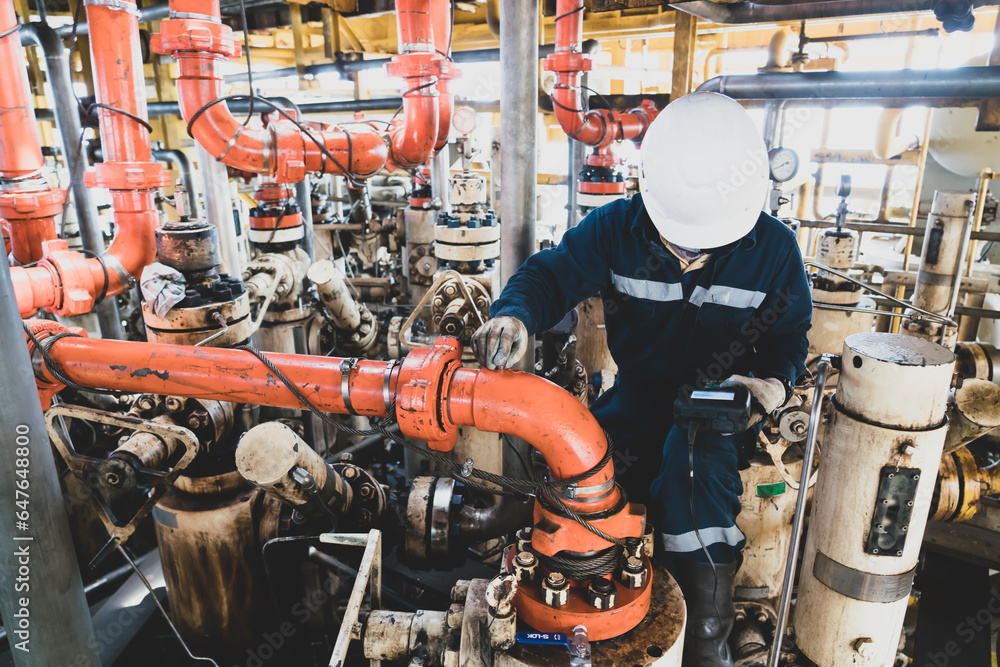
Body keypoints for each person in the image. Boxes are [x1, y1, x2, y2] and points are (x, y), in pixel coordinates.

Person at [470, 92, 811, 667]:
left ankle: (704, 638)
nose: (689, 249)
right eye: (679, 237)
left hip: (715, 416)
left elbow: (788, 338)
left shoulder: (773, 250)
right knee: (573, 479)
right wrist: (514, 313)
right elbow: (549, 276)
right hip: (636, 401)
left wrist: (771, 384)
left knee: (689, 478)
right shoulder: (616, 230)